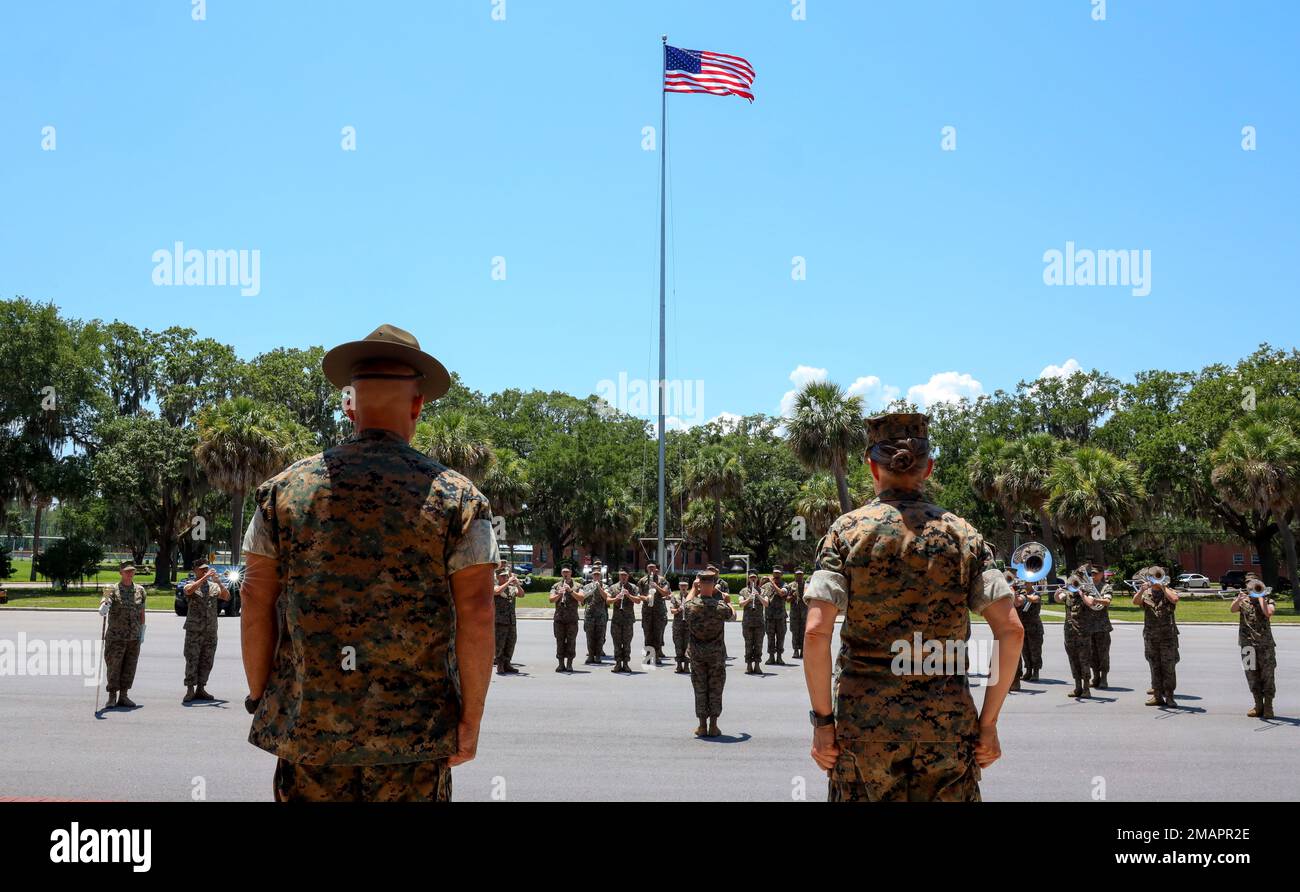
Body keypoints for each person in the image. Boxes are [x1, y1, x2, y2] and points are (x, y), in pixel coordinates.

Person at [238, 324, 497, 802]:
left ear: (349, 404)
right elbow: (478, 613)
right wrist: (470, 720)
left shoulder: (281, 493)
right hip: (413, 742)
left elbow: (254, 593)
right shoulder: (459, 499)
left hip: (309, 733)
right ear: (418, 405)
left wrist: (262, 695)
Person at [803, 412, 1023, 802]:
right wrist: (988, 724)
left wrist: (823, 724)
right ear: (929, 467)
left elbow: (817, 632)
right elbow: (1012, 631)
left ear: (872, 466)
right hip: (946, 725)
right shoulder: (964, 535)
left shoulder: (845, 532)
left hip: (865, 728)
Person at [685, 566, 735, 737]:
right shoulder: (720, 607)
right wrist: (728, 601)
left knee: (699, 688)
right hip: (716, 655)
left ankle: (701, 725)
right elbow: (733, 615)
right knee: (715, 688)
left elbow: (686, 604)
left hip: (697, 654)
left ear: (700, 584)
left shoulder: (691, 606)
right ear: (713, 585)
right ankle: (713, 725)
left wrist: (693, 588)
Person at [99, 560, 147, 710]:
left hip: (134, 636)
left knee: (130, 666)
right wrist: (104, 606)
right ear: (120, 573)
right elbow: (105, 603)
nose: (130, 573)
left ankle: (124, 695)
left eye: (132, 571)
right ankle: (112, 696)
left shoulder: (140, 590)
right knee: (114, 666)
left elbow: (142, 612)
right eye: (126, 571)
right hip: (116, 637)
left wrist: (142, 631)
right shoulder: (112, 590)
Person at [1132, 565, 1180, 708]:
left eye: (1158, 577)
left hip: (1167, 637)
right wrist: (1141, 589)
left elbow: (1175, 599)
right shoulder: (1146, 593)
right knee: (1154, 666)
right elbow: (1135, 602)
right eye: (1154, 577)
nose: (1156, 580)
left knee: (1168, 667)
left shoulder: (1169, 591)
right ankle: (1157, 696)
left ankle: (1170, 696)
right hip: (1151, 637)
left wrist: (1164, 587)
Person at [181, 560, 230, 703]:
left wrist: (218, 582)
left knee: (207, 660)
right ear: (195, 570)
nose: (205, 571)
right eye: (201, 569)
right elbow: (188, 591)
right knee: (192, 659)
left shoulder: (214, 587)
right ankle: (190, 689)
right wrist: (204, 578)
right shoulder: (191, 584)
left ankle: (201, 688)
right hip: (194, 630)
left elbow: (226, 597)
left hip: (210, 629)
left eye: (206, 569)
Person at [1231, 572, 1276, 718]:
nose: (1251, 585)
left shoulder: (1268, 600)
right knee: (1251, 675)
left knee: (1267, 676)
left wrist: (1261, 597)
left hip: (1265, 646)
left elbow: (1268, 613)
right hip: (1247, 646)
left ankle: (1268, 706)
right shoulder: (1243, 600)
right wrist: (1238, 599)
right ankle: (1258, 705)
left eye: (1254, 582)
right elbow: (1232, 609)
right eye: (1249, 583)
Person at [1054, 571, 1097, 699]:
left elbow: (1091, 603)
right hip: (1069, 632)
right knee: (1073, 660)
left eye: (1077, 581)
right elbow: (1058, 599)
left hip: (1083, 633)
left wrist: (1082, 593)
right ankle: (1077, 687)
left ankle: (1086, 688)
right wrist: (1057, 593)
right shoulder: (1068, 595)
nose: (1074, 583)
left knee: (1084, 661)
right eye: (1073, 581)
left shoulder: (1087, 594)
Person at [1082, 563, 1113, 688]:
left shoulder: (1106, 587)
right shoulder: (1087, 587)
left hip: (1102, 626)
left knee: (1103, 654)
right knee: (1091, 654)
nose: (1093, 576)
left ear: (1101, 574)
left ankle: (1104, 678)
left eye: (1095, 573)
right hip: (1089, 626)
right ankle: (1096, 677)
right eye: (1091, 574)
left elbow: (1107, 602)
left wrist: (1094, 600)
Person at [1009, 572, 1043, 682]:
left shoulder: (1036, 592)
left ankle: (1035, 672)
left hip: (1034, 627)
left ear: (1033, 582)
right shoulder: (1019, 593)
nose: (1026, 583)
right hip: (1023, 626)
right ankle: (1028, 670)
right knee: (1025, 651)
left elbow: (1034, 599)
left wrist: (1022, 596)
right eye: (1025, 581)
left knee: (1035, 650)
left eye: (1028, 581)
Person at [493, 562, 526, 675]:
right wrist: (508, 582)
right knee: (500, 644)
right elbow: (497, 592)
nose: (505, 577)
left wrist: (517, 584)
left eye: (506, 575)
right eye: (503, 576)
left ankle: (507, 663)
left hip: (511, 621)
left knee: (511, 642)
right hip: (500, 621)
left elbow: (522, 595)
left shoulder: (512, 588)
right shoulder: (495, 586)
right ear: (497, 577)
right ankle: (500, 665)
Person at [609, 568, 643, 673]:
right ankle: (618, 663)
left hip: (628, 620)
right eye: (621, 575)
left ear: (628, 576)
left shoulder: (633, 587)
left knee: (627, 643)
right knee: (617, 643)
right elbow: (608, 600)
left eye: (625, 575)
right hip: (616, 620)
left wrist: (628, 595)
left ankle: (626, 664)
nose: (623, 577)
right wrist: (616, 599)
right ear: (619, 576)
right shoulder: (613, 587)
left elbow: (638, 600)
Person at [639, 562, 671, 665]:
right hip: (647, 611)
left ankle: (656, 656)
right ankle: (648, 656)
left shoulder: (662, 580)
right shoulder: (642, 581)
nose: (651, 570)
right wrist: (646, 598)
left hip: (659, 612)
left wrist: (656, 586)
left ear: (656, 569)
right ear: (647, 569)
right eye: (649, 568)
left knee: (657, 634)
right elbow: (639, 596)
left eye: (653, 568)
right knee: (647, 634)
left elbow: (666, 593)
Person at [550, 567, 580, 673]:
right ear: (561, 573)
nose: (565, 574)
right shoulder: (556, 586)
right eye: (564, 572)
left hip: (572, 619)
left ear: (571, 573)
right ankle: (561, 664)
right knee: (560, 642)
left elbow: (581, 598)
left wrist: (570, 591)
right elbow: (551, 599)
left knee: (571, 642)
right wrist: (559, 593)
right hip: (559, 619)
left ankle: (569, 664)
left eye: (567, 572)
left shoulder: (577, 585)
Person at [579, 562, 609, 665]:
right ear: (592, 576)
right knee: (589, 636)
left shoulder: (604, 586)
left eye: (598, 575)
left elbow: (606, 597)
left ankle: (598, 656)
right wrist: (588, 593)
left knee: (600, 636)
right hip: (590, 614)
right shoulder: (586, 586)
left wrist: (599, 588)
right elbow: (582, 600)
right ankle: (591, 655)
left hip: (601, 614)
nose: (596, 576)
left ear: (600, 576)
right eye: (594, 575)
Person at [738, 571, 766, 675]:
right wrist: (750, 598)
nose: (753, 579)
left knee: (758, 645)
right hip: (747, 622)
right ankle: (749, 665)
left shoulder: (762, 591)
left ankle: (757, 665)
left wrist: (758, 596)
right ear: (748, 579)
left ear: (757, 579)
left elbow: (766, 603)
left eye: (754, 577)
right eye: (751, 577)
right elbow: (741, 604)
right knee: (748, 644)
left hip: (759, 623)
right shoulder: (743, 591)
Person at [763, 568, 790, 665]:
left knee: (780, 637)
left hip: (780, 616)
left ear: (781, 575)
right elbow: (759, 594)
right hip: (769, 616)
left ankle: (779, 657)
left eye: (778, 574)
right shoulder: (766, 586)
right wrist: (761, 582)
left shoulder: (785, 585)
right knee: (770, 637)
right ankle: (771, 657)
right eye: (775, 574)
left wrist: (772, 584)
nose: (776, 576)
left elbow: (782, 593)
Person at [670, 579, 691, 673]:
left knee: (687, 645)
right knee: (678, 645)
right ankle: (679, 665)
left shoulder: (691, 597)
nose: (683, 587)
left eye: (685, 586)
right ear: (679, 586)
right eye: (681, 585)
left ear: (688, 586)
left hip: (688, 625)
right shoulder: (675, 597)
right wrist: (679, 609)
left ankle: (687, 665)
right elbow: (672, 611)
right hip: (678, 624)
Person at [788, 568, 808, 658]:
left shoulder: (807, 586)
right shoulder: (790, 585)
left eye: (800, 574)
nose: (799, 576)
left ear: (803, 575)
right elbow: (787, 600)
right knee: (795, 631)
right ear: (794, 575)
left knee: (804, 632)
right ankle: (795, 650)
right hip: (794, 613)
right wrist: (792, 595)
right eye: (797, 574)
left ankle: (803, 651)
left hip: (805, 613)